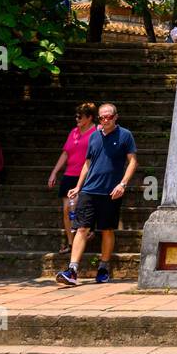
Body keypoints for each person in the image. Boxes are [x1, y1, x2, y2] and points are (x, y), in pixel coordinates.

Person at [57, 104, 137, 286]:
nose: (105, 120)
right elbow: (87, 163)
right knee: (82, 228)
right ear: (98, 119)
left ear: (116, 117)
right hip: (89, 190)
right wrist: (78, 186)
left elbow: (132, 162)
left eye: (109, 116)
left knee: (107, 229)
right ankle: (72, 269)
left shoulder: (125, 135)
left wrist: (123, 184)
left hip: (111, 192)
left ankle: (103, 267)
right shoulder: (94, 136)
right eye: (102, 117)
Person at [46, 103, 96, 254]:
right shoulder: (73, 132)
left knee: (80, 208)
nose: (77, 119)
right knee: (67, 209)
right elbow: (65, 153)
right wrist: (54, 172)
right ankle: (70, 242)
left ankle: (86, 233)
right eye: (76, 116)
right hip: (69, 175)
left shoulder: (96, 132)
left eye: (80, 116)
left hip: (87, 176)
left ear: (89, 117)